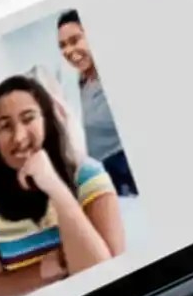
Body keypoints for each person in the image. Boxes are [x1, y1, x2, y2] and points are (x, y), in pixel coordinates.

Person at [0, 75, 126, 296]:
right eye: (5, 127)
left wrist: (54, 187)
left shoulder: (88, 175)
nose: (19, 137)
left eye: (28, 119)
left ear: (47, 122)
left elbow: (106, 276)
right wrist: (51, 266)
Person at [56, 10, 138, 197]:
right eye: (62, 46)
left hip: (124, 166)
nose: (68, 51)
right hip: (102, 173)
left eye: (75, 40)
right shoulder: (81, 81)